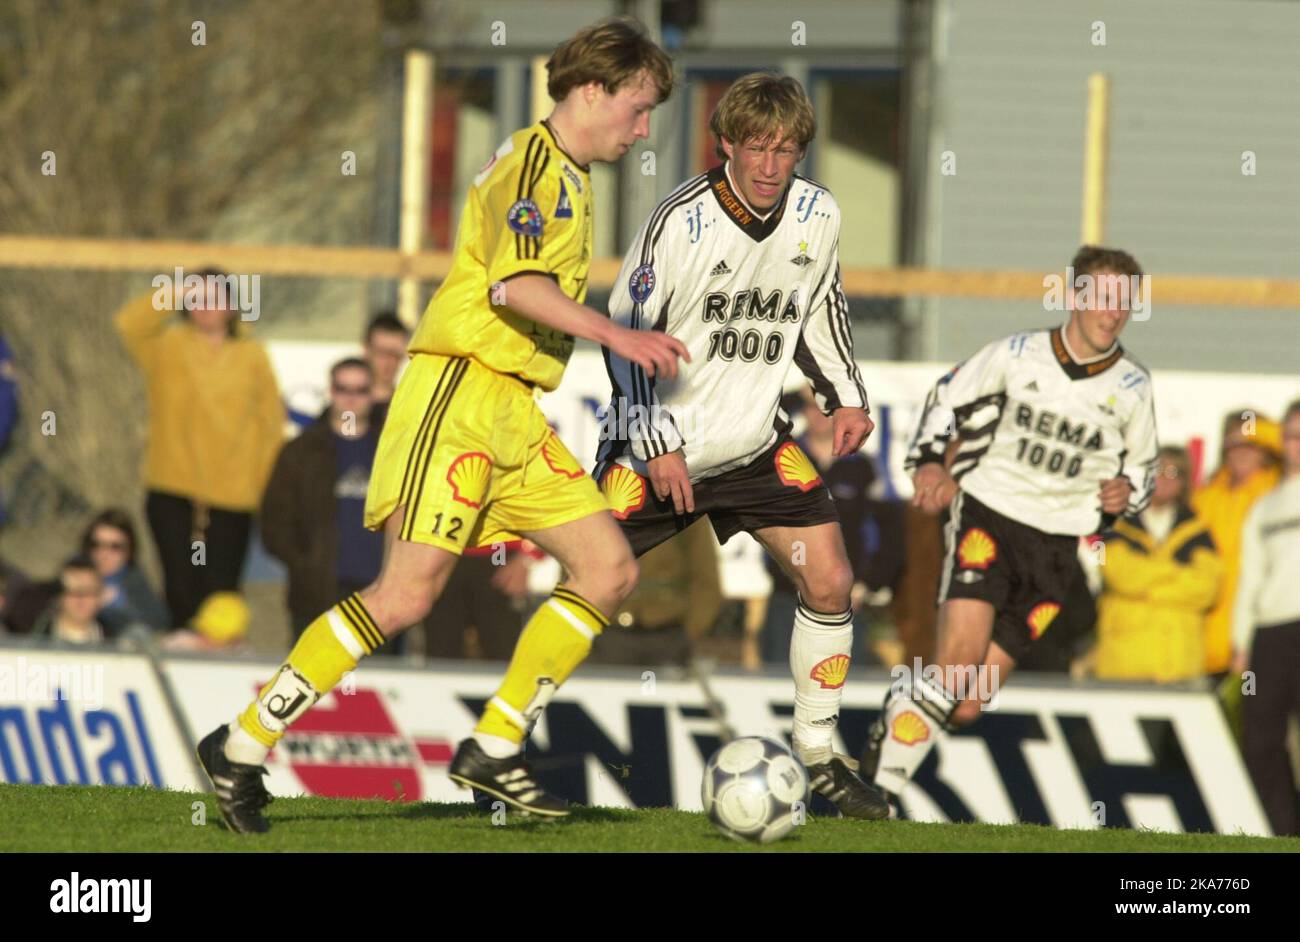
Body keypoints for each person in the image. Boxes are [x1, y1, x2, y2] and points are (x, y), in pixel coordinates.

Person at [194, 17, 684, 832]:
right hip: (457, 398)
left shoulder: (568, 173)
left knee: (608, 568)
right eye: (637, 109)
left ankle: (494, 745)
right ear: (592, 90)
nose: (643, 130)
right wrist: (616, 332)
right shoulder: (533, 167)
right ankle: (242, 745)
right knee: (403, 597)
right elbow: (513, 288)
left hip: (513, 411)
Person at [586, 72, 887, 817]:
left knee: (829, 578)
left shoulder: (819, 214)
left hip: (753, 445)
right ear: (725, 144)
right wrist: (654, 441)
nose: (769, 165)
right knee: (590, 582)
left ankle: (818, 752)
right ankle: (506, 738)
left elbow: (822, 305)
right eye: (756, 147)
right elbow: (626, 336)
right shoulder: (680, 221)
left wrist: (845, 395)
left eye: (786, 149)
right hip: (659, 446)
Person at [861, 245, 1159, 806]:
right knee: (955, 663)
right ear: (1074, 297)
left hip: (1055, 552)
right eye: (1101, 296)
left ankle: (897, 724)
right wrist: (928, 459)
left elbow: (1141, 473)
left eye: (1125, 301)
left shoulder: (1133, 388)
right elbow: (947, 397)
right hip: (990, 519)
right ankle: (877, 790)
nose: (1112, 311)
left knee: (970, 702)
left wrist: (1126, 495)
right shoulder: (1017, 355)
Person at [115, 270, 285, 628]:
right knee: (180, 586)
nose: (206, 308)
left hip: (233, 495)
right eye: (198, 299)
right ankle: (179, 653)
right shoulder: (168, 347)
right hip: (172, 486)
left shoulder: (252, 355)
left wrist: (262, 485)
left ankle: (216, 662)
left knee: (221, 595)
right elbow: (129, 323)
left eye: (215, 299)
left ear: (232, 306)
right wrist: (177, 290)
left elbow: (271, 424)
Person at [260, 358, 399, 654]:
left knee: (377, 689)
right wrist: (305, 563)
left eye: (360, 389)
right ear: (330, 392)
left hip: (380, 594)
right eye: (342, 388)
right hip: (317, 592)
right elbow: (273, 523)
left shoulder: (392, 450)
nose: (350, 397)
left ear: (373, 393)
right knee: (311, 687)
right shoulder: (300, 451)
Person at [761, 390, 903, 667]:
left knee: (842, 688)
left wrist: (866, 583)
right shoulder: (781, 460)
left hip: (846, 603)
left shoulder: (865, 468)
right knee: (779, 682)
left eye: (826, 407)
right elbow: (765, 525)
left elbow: (890, 533)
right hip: (788, 597)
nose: (818, 415)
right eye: (811, 407)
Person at [1092, 446, 1220, 682]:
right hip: (1124, 663)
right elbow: (1121, 575)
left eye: (1174, 473)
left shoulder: (1198, 531)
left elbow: (1206, 589)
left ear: (1183, 482)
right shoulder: (1116, 525)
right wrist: (1177, 578)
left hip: (1178, 665)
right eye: (1158, 470)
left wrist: (1146, 580)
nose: (1164, 479)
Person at [1233, 399, 1300, 836]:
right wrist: (1241, 646)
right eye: (1293, 436)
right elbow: (1249, 580)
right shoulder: (1265, 507)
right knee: (1259, 740)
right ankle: (1285, 834)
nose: (1298, 445)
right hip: (1273, 633)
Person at [1193, 410, 1282, 677]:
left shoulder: (1275, 491)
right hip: (1204, 637)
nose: (1240, 452)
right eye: (1233, 445)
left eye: (1251, 445)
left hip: (1257, 630)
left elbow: (1287, 440)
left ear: (1265, 450)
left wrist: (1254, 431)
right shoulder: (1204, 498)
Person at [587, 519, 722, 667]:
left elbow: (706, 580)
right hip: (608, 636)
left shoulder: (685, 506)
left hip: (668, 637)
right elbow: (575, 575)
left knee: (658, 690)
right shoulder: (594, 504)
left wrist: (689, 632)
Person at [81, 509, 171, 634]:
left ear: (129, 551)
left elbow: (157, 622)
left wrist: (119, 604)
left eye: (115, 547)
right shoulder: (73, 575)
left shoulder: (136, 582)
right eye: (96, 544)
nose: (104, 554)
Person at [31, 556, 110, 644]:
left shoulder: (115, 639)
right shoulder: (37, 637)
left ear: (100, 595)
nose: (80, 600)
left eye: (88, 591)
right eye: (72, 591)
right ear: (59, 595)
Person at [362, 312, 411, 429]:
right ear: (367, 351)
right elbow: (346, 439)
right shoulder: (348, 405)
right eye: (382, 352)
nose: (389, 361)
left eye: (396, 354)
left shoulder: (409, 407)